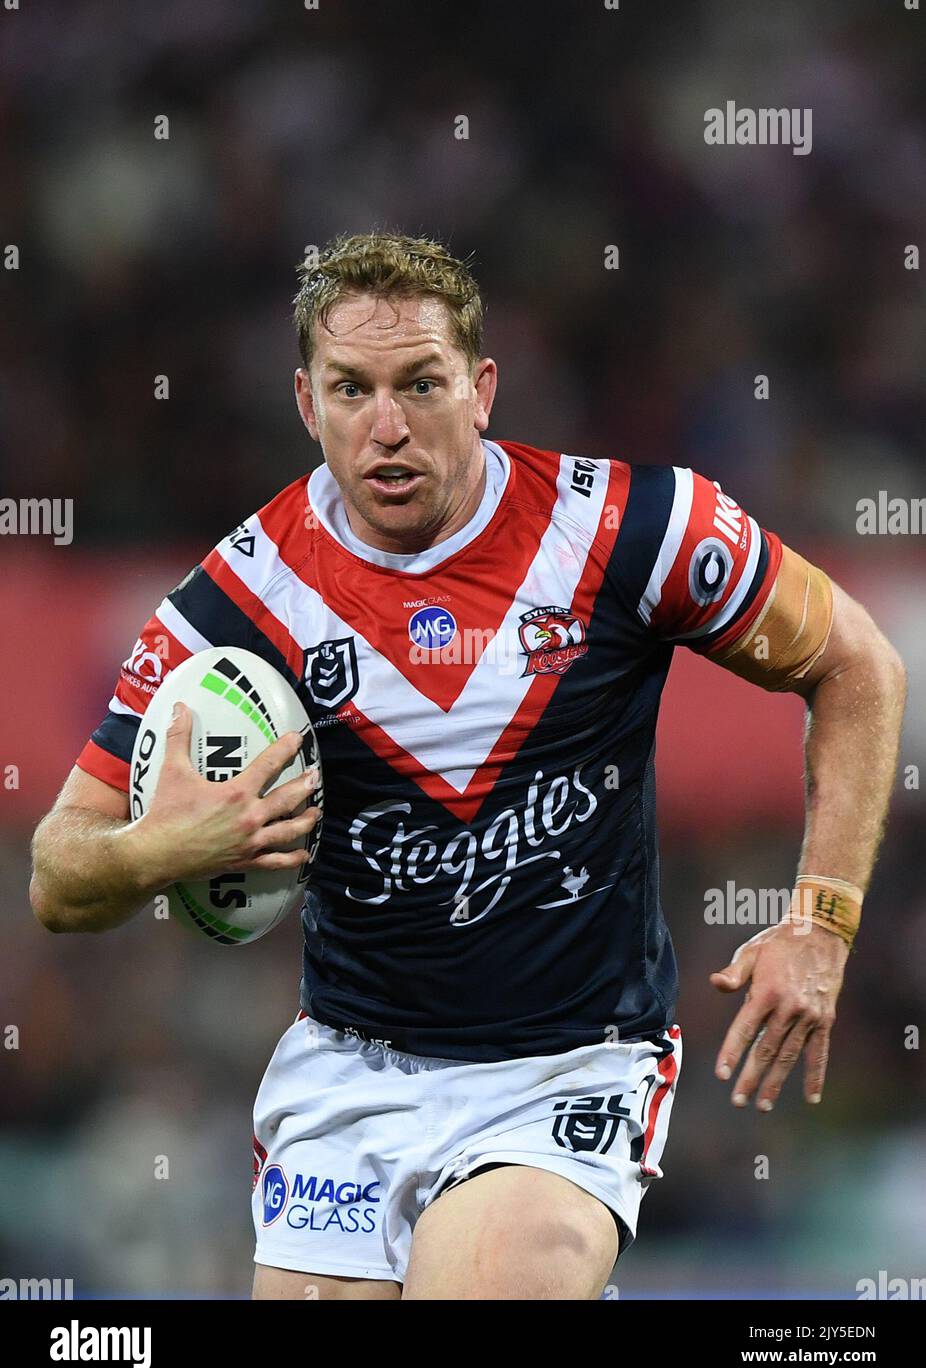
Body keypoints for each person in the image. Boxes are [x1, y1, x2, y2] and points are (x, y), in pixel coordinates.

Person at [29, 232, 907, 1301]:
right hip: (348, 1077)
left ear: (480, 389)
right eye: (350, 389)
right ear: (307, 405)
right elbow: (58, 875)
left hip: (566, 1065)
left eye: (420, 384)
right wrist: (174, 843)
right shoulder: (238, 603)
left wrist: (820, 918)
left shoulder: (629, 529)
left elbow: (855, 663)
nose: (386, 427)